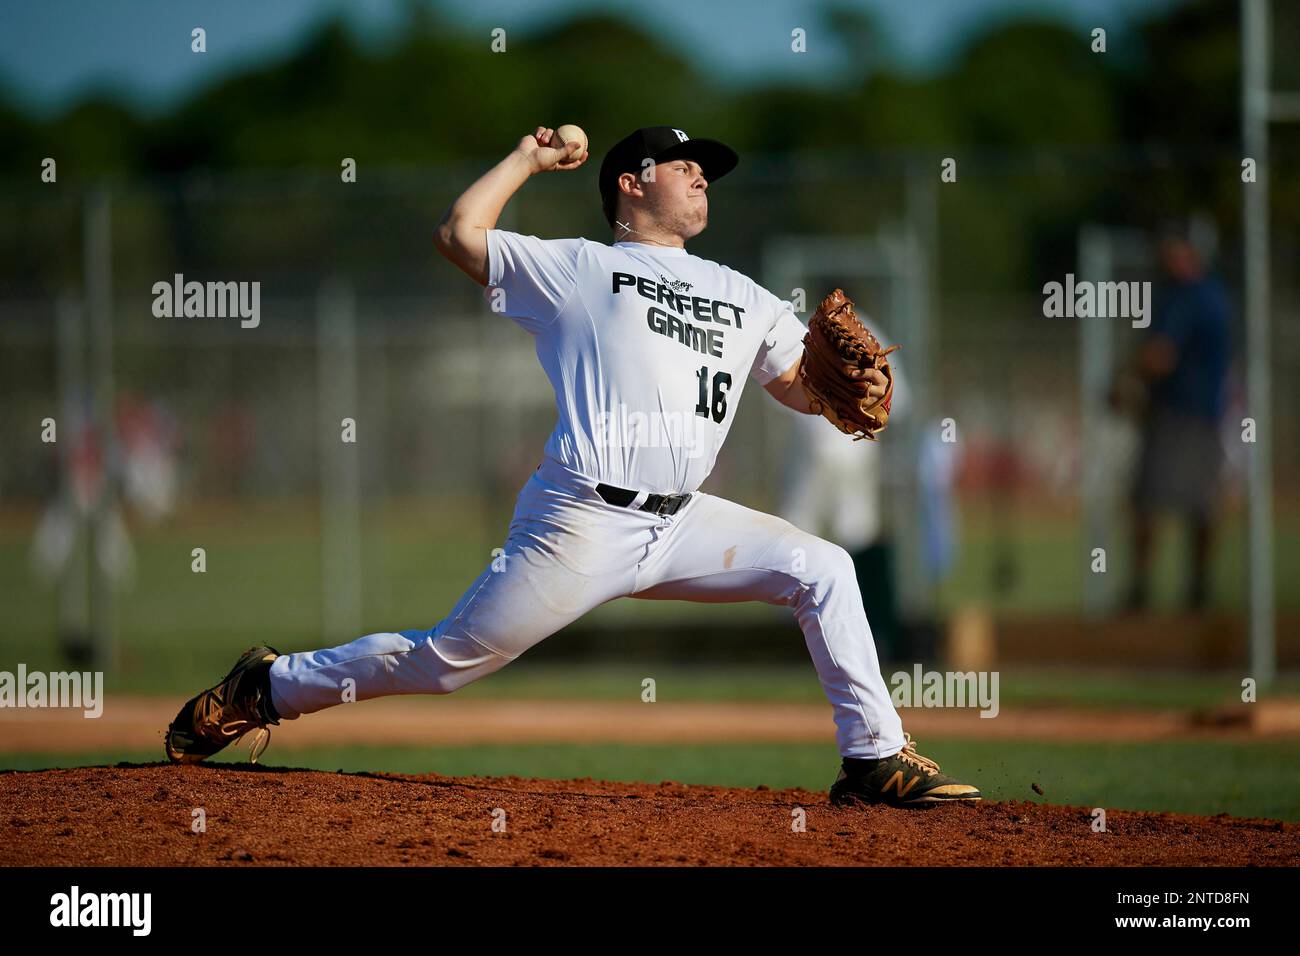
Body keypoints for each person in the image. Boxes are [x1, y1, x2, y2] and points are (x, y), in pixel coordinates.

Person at [164, 126, 980, 808]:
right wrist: (525, 159)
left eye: (709, 171)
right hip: (581, 519)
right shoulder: (580, 269)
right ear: (630, 183)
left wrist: (849, 393)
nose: (702, 176)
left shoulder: (743, 293)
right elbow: (459, 235)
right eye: (683, 164)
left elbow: (802, 388)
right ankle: (268, 687)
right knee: (445, 663)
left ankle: (873, 758)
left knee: (825, 568)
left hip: (684, 520)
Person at [1121, 228, 1232, 611]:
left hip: (1179, 416)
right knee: (1199, 503)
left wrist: (1124, 379)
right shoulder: (1211, 295)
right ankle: (1196, 589)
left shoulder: (1187, 298)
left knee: (1150, 502)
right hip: (1204, 414)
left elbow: (1159, 356)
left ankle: (1142, 590)